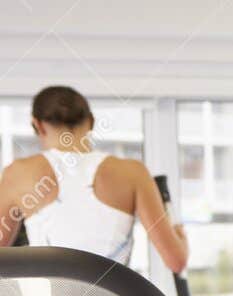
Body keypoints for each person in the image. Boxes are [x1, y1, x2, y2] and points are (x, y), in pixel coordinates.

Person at [0, 86, 188, 272]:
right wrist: (180, 234)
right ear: (91, 121)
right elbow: (176, 261)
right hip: (113, 292)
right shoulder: (133, 172)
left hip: (47, 292)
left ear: (38, 125)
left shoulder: (18, 173)